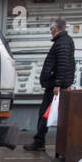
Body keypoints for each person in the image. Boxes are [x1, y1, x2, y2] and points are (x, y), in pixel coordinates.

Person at [25, 18, 76, 151]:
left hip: (55, 86)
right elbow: (67, 64)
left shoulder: (62, 42)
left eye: (51, 29)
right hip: (58, 85)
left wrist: (58, 84)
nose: (50, 31)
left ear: (55, 29)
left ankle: (39, 142)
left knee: (45, 113)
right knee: (54, 114)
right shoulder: (65, 41)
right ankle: (41, 141)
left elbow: (63, 64)